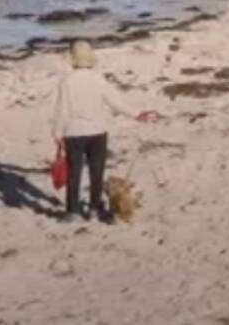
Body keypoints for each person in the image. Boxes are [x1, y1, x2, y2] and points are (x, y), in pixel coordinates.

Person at [51, 39, 154, 223]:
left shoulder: (66, 82)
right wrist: (137, 114)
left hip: (73, 132)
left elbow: (62, 110)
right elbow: (116, 102)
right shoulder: (98, 80)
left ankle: (72, 211)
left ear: (73, 59)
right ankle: (94, 208)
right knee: (96, 172)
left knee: (74, 173)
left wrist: (57, 133)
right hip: (97, 131)